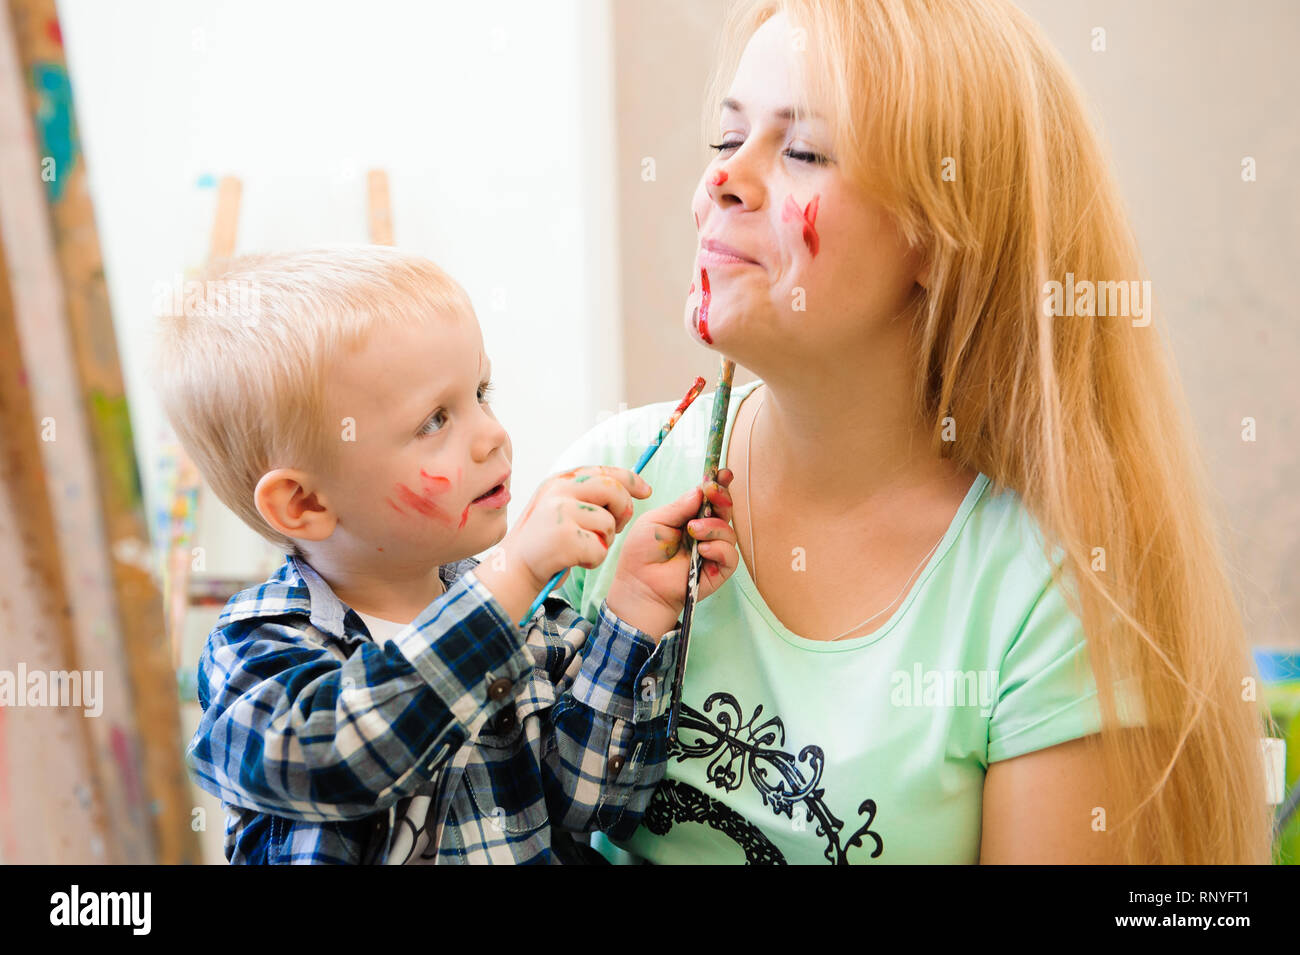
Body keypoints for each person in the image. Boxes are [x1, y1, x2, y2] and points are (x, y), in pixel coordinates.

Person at [551, 0, 1273, 863]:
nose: (723, 179)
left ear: (940, 238)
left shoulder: (1049, 598)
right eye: (725, 140)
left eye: (804, 151)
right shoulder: (608, 486)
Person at [153, 246, 740, 863]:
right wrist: (511, 573)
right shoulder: (257, 652)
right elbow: (342, 763)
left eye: (481, 393)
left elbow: (598, 803)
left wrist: (638, 608)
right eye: (434, 420)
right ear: (303, 503)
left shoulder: (533, 619)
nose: (493, 435)